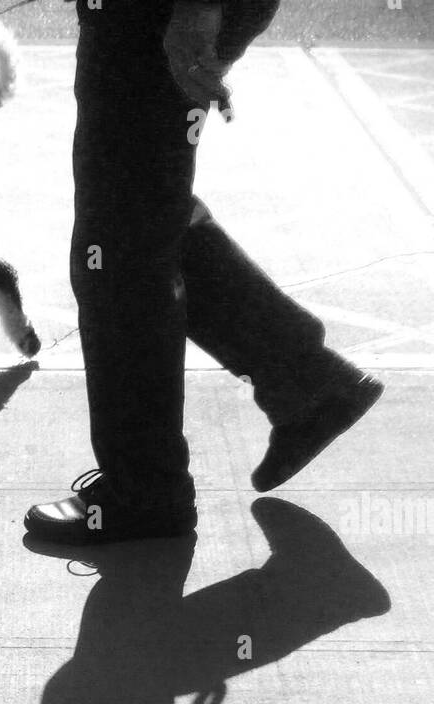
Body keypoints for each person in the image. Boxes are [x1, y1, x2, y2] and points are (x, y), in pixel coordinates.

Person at [24, 0, 383, 545]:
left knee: (119, 243)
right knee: (141, 212)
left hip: (159, 14)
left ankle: (144, 489)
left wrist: (197, 6)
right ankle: (304, 380)